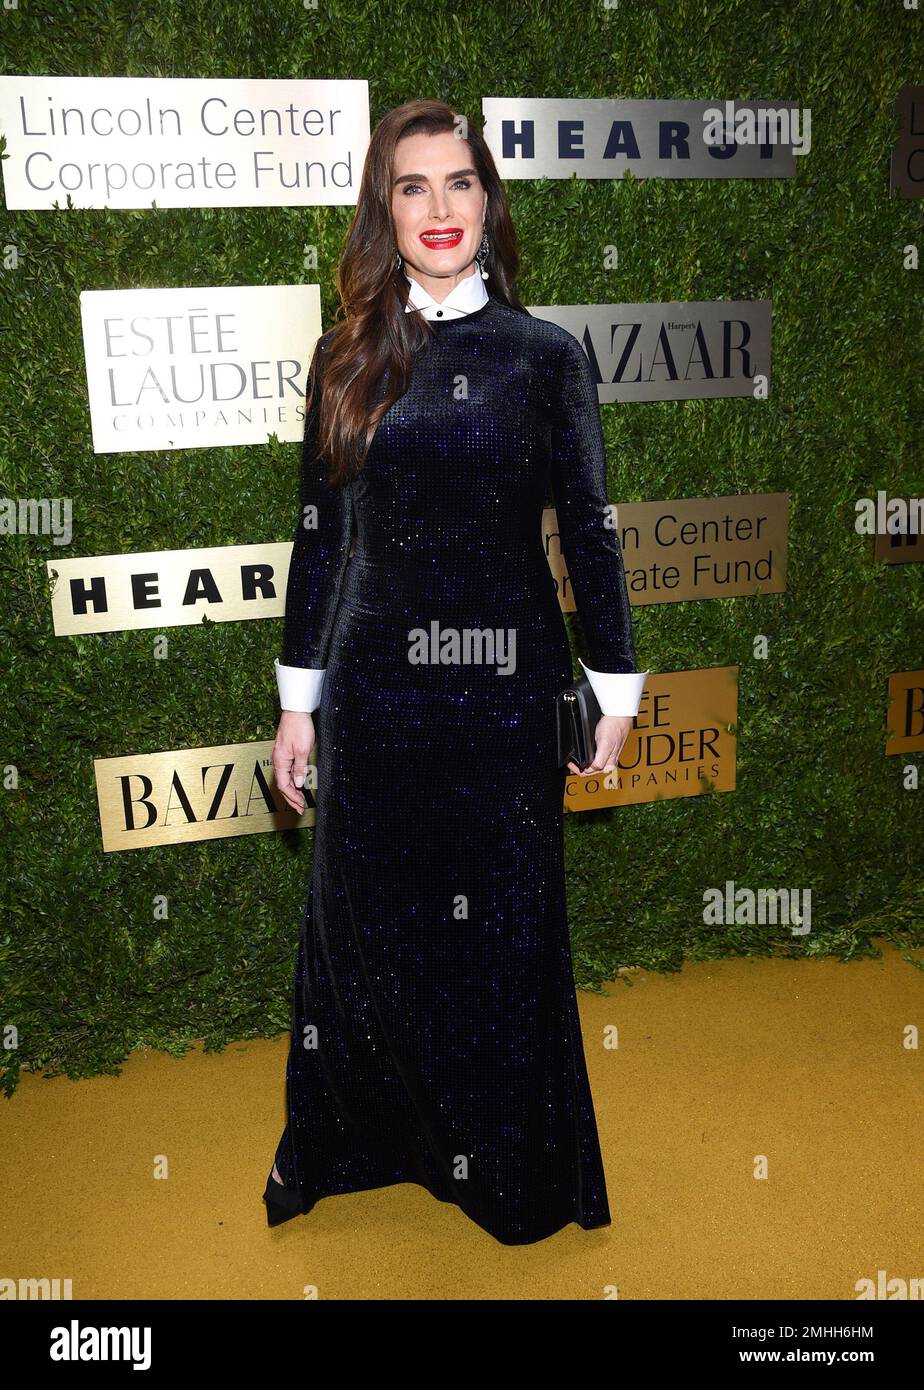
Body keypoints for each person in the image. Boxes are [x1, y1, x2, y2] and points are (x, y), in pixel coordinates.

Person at [264, 99, 648, 1246]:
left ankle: (508, 1172)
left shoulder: (545, 356)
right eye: (412, 187)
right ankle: (376, 1143)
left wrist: (614, 687)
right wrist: (299, 705)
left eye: (460, 183)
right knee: (365, 934)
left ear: (491, 199)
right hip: (377, 698)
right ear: (386, 211)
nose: (440, 209)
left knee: (502, 939)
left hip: (501, 705)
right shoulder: (350, 355)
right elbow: (321, 539)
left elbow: (590, 531)